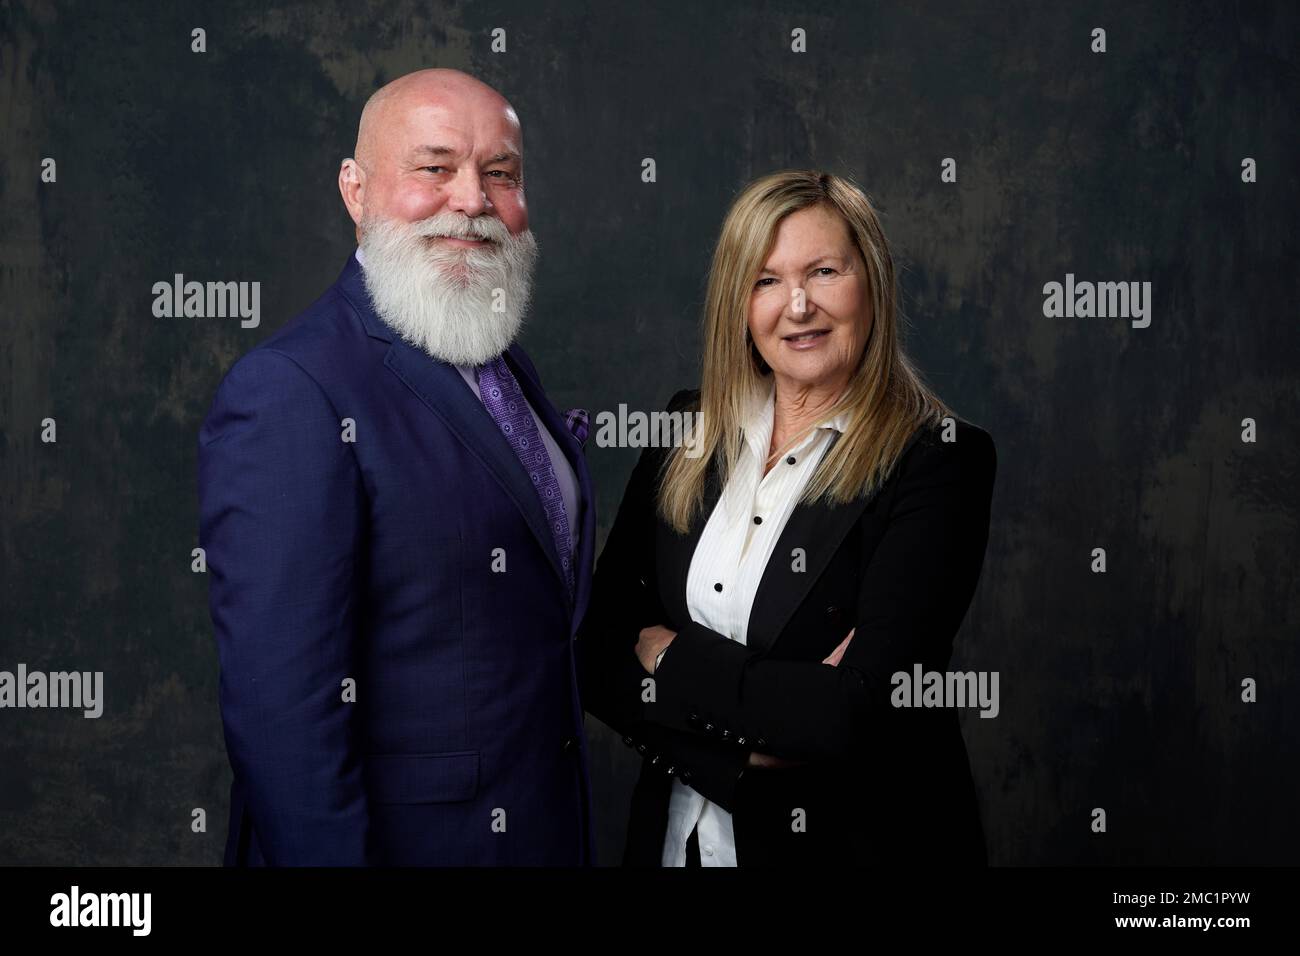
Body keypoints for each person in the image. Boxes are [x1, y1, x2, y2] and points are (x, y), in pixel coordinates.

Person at [198, 68, 595, 865]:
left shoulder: (495, 359)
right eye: (434, 167)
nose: (473, 201)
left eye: (501, 174)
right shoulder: (291, 390)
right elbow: (283, 716)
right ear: (355, 189)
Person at [577, 169, 996, 867]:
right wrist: (741, 753)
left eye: (824, 271)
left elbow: (849, 717)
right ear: (737, 304)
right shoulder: (689, 427)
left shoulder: (939, 461)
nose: (797, 305)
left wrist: (667, 652)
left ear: (874, 283)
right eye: (766, 280)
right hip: (677, 844)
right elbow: (597, 652)